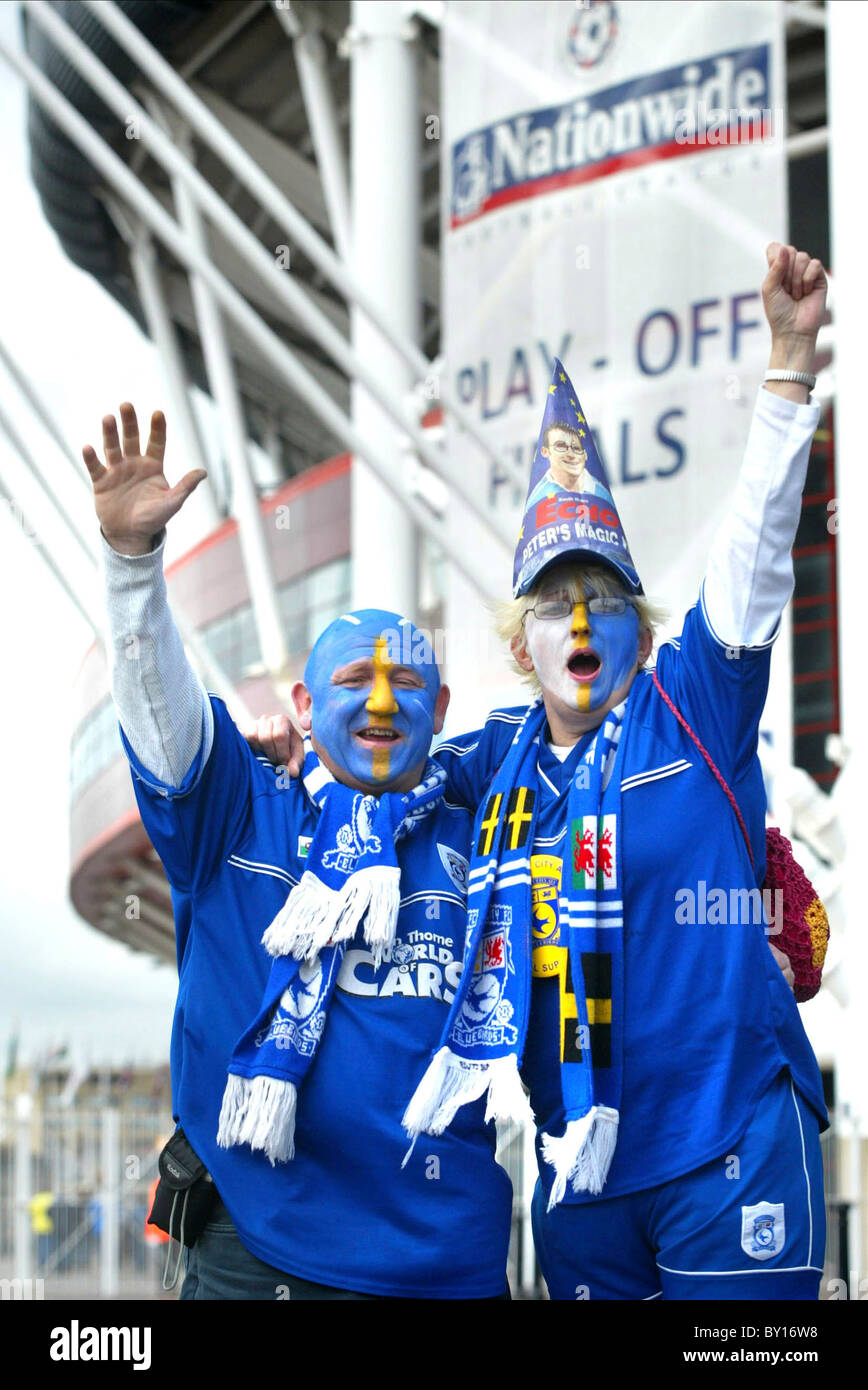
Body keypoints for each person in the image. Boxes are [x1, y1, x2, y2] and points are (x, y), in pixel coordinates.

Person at [250, 242, 828, 1300]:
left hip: (727, 1139)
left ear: (640, 634)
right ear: (521, 648)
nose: (578, 618)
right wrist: (301, 754)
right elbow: (386, 759)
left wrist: (786, 372)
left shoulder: (691, 701)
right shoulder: (494, 760)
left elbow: (752, 558)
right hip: (577, 1172)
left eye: (602, 599)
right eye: (554, 603)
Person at [82, 408, 512, 1300]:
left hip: (452, 1271)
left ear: (445, 708)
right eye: (356, 680)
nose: (385, 701)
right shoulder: (241, 811)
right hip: (259, 1267)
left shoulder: (490, 833)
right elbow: (164, 720)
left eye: (410, 684)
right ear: (304, 707)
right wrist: (132, 572)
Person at [525, 420, 615, 509]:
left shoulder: (603, 495)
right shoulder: (536, 500)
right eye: (561, 446)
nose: (570, 454)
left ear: (585, 455)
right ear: (545, 451)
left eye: (576, 448)